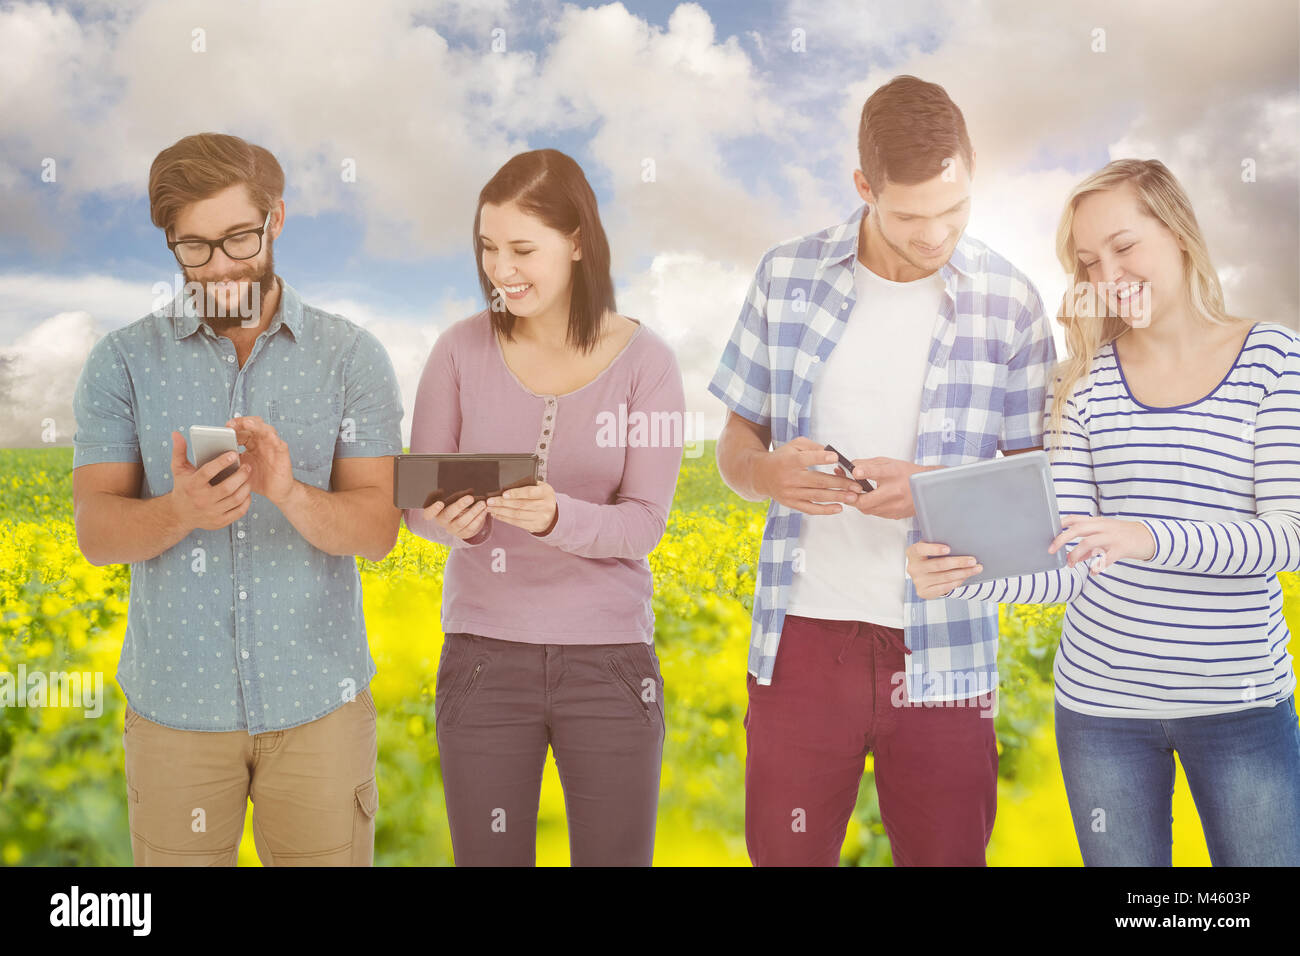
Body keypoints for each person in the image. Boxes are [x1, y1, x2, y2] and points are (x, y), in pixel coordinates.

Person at [907, 158, 1300, 866]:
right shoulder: (1080, 384)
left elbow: (1286, 538)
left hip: (1240, 706)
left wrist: (1146, 537)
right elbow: (1070, 562)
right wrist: (962, 573)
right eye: (1087, 262)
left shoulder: (1272, 358)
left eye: (1124, 246)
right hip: (1102, 710)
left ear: (1178, 232)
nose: (1106, 275)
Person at [708, 75, 1058, 866]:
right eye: (909, 215)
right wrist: (766, 475)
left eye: (954, 210)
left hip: (950, 650)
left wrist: (929, 490)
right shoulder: (785, 276)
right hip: (802, 639)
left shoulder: (1011, 301)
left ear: (973, 167)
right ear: (863, 187)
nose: (936, 235)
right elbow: (737, 438)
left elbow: (1034, 489)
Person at [71, 132, 403, 866]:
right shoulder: (122, 361)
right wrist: (178, 513)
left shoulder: (352, 357)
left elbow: (379, 529)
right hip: (174, 717)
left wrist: (288, 492)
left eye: (238, 238)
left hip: (321, 706)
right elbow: (96, 530)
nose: (218, 267)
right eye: (193, 247)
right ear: (169, 242)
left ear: (276, 219)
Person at [403, 148, 686, 866]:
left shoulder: (647, 364)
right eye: (489, 248)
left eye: (522, 249)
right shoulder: (458, 351)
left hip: (611, 667)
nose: (502, 269)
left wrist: (561, 517)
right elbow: (415, 506)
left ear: (578, 242)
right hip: (482, 665)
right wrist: (446, 522)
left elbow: (645, 522)